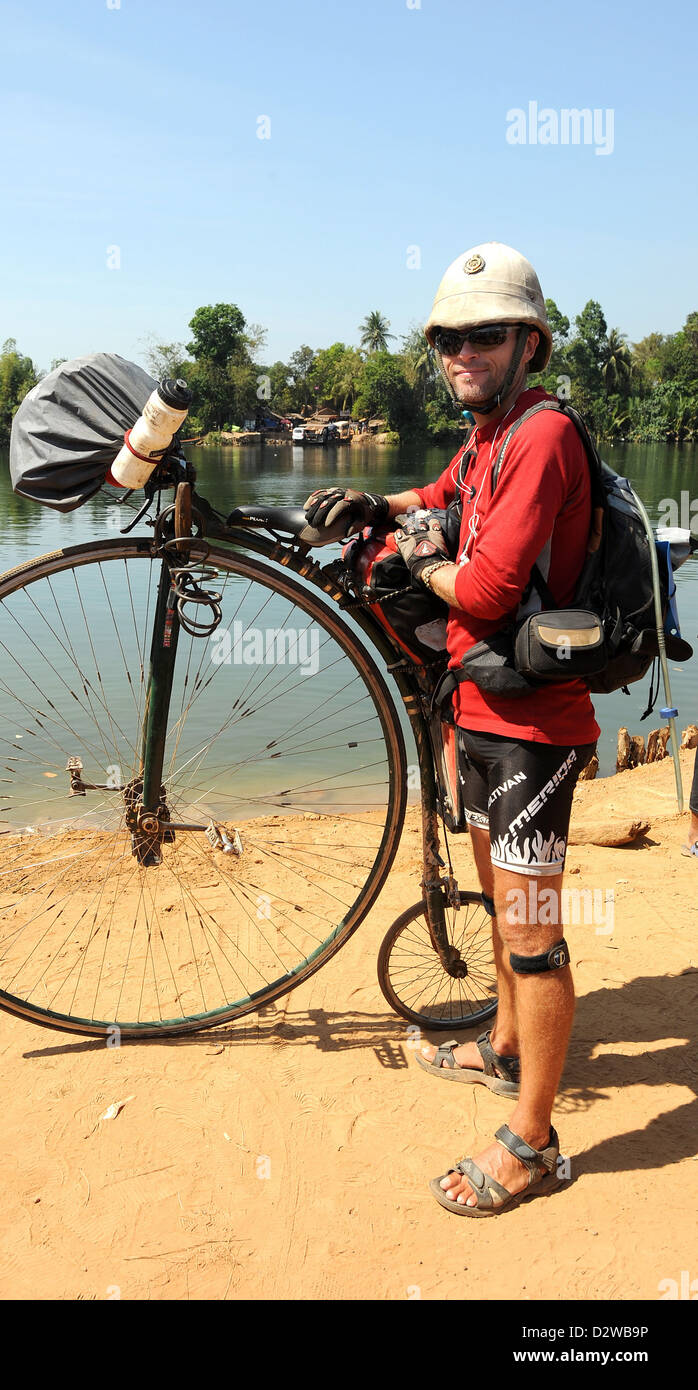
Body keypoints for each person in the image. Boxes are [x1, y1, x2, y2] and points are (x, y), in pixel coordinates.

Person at [304, 242, 599, 1216]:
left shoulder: (543, 435)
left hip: (530, 724)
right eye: (445, 338)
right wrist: (379, 508)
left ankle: (533, 1139)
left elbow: (482, 585)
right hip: (476, 703)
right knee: (491, 888)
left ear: (526, 343)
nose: (459, 352)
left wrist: (419, 558)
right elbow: (437, 504)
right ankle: (505, 1045)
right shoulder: (487, 437)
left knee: (528, 934)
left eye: (482, 335)